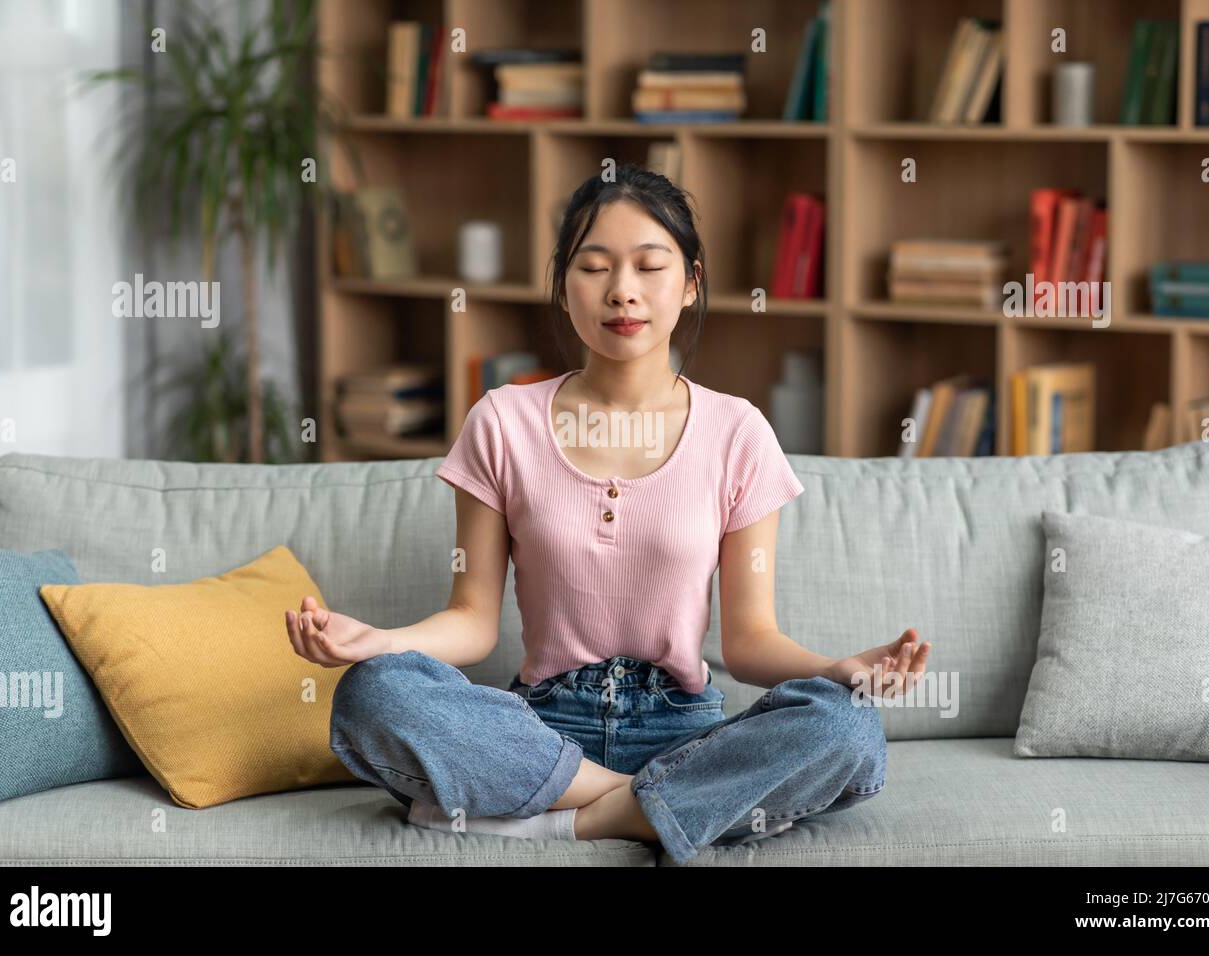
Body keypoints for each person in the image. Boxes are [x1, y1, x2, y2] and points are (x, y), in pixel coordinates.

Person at [285, 163, 932, 866]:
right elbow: (471, 621)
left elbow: (748, 643)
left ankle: (567, 819)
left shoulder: (738, 432)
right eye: (594, 267)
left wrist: (841, 668)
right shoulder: (503, 421)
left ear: (690, 283)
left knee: (849, 727)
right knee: (373, 693)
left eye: (650, 267)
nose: (622, 290)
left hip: (683, 726)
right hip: (539, 728)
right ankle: (657, 805)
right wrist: (375, 640)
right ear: (564, 286)